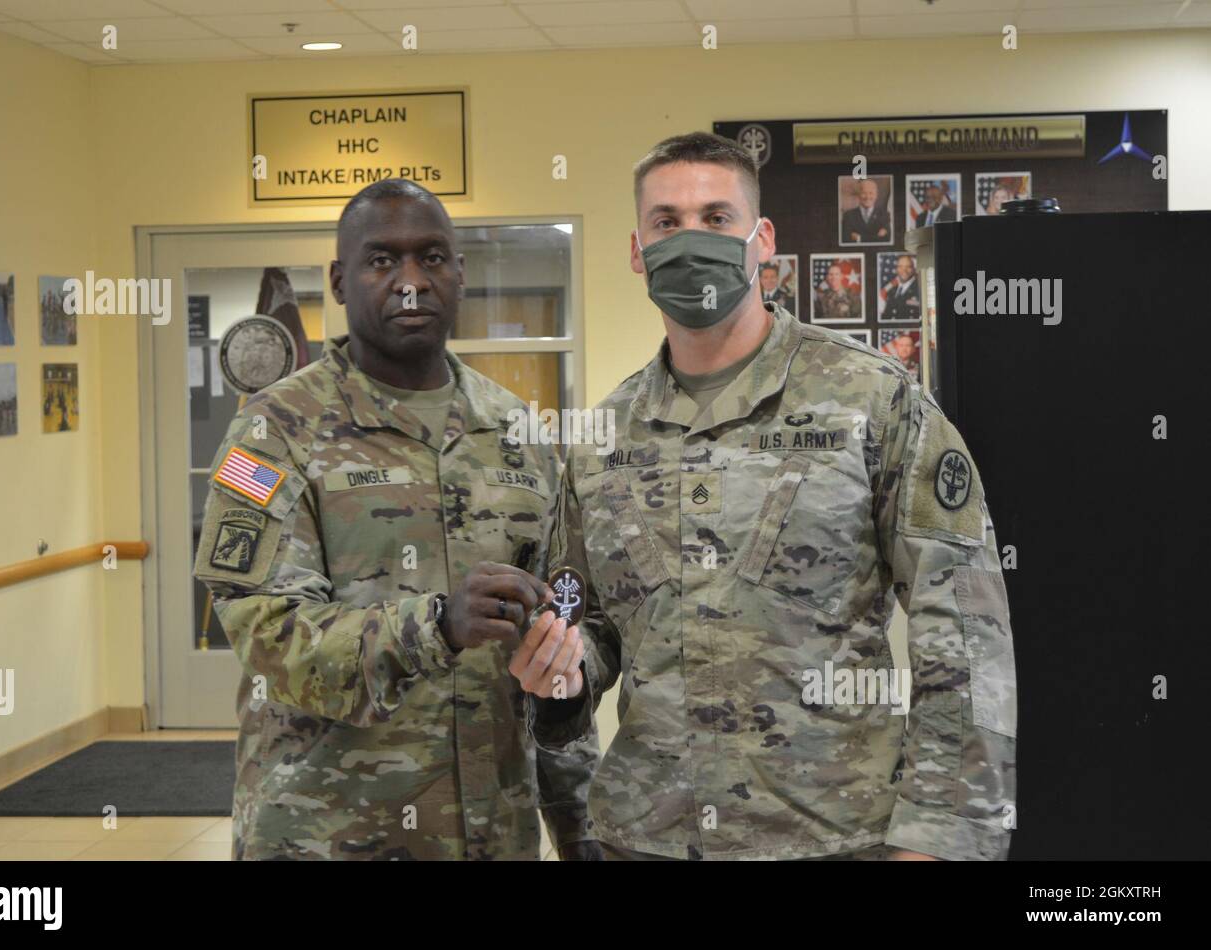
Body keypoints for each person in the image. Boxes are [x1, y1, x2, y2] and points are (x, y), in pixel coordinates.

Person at [511, 132, 1016, 861]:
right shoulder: (603, 436)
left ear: (761, 239)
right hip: (648, 838)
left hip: (830, 837)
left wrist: (941, 836)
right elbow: (592, 634)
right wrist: (558, 673)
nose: (690, 239)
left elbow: (965, 629)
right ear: (636, 249)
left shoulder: (872, 401)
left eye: (716, 217)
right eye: (667, 222)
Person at [193, 179, 600, 861]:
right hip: (329, 834)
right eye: (382, 261)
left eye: (432, 258)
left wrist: (581, 830)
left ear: (460, 274)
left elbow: (556, 644)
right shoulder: (272, 431)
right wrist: (434, 626)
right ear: (340, 281)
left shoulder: (517, 430)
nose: (411, 283)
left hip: (492, 833)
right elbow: (267, 633)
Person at [840, 178, 890, 244]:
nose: (867, 197)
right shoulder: (848, 215)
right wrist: (876, 237)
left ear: (876, 195)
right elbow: (845, 239)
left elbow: (886, 239)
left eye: (871, 193)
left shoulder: (884, 214)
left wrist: (859, 238)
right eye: (864, 193)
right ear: (858, 195)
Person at [881, 253, 921, 322]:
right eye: (900, 267)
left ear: (914, 269)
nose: (904, 270)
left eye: (908, 267)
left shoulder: (919, 288)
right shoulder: (891, 289)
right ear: (897, 269)